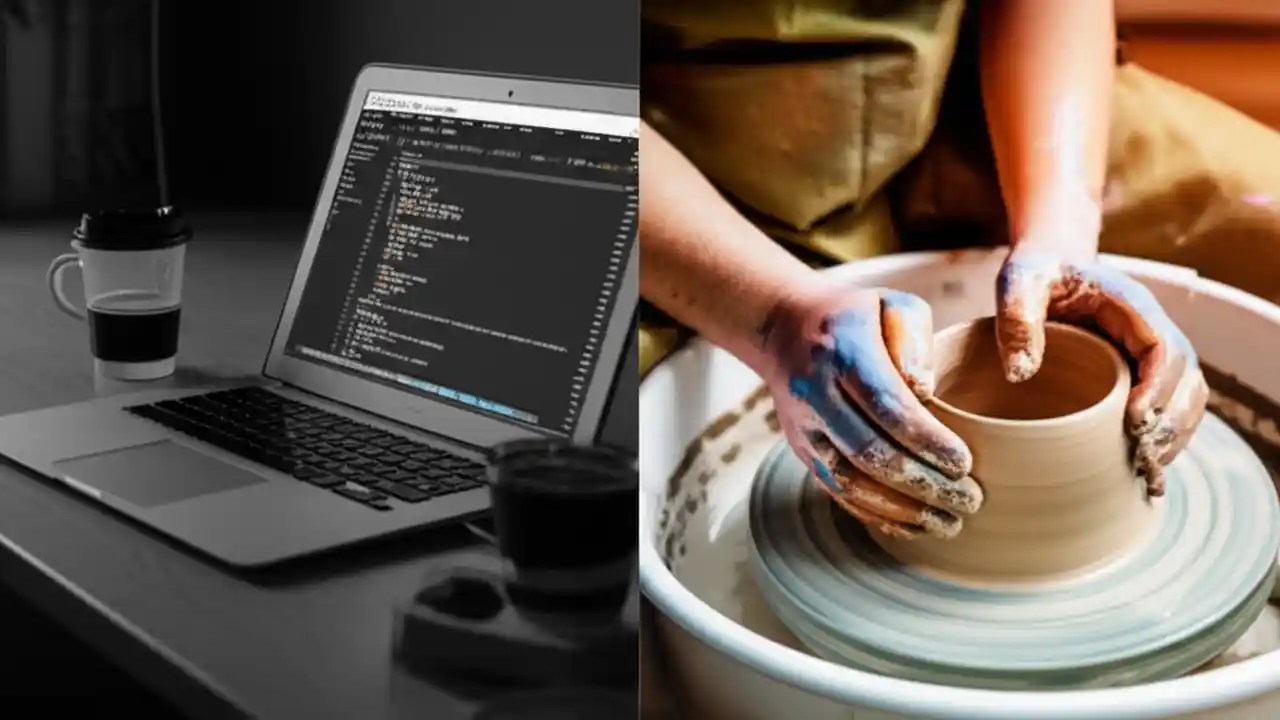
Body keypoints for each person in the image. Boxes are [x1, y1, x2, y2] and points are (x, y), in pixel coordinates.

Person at [636, 0, 1280, 539]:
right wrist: (771, 317)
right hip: (658, 166)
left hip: (954, 97)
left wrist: (1061, 229)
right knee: (577, 499)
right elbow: (542, 90)